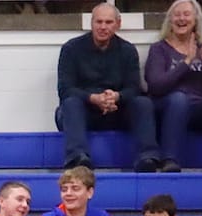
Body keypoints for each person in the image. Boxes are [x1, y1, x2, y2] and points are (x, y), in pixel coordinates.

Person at [56, 3, 167, 172]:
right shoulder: (71, 49)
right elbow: (65, 89)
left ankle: (147, 157)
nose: (103, 27)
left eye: (108, 22)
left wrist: (117, 97)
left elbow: (133, 88)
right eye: (98, 22)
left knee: (143, 103)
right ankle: (78, 158)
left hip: (117, 110)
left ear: (118, 24)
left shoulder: (128, 50)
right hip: (82, 112)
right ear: (91, 23)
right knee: (70, 103)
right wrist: (93, 98)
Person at [147, 0, 202, 167]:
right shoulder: (159, 49)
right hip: (170, 108)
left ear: (195, 20)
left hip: (199, 109)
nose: (181, 19)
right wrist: (186, 62)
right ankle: (169, 160)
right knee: (179, 99)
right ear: (170, 20)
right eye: (177, 15)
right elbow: (156, 85)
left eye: (186, 14)